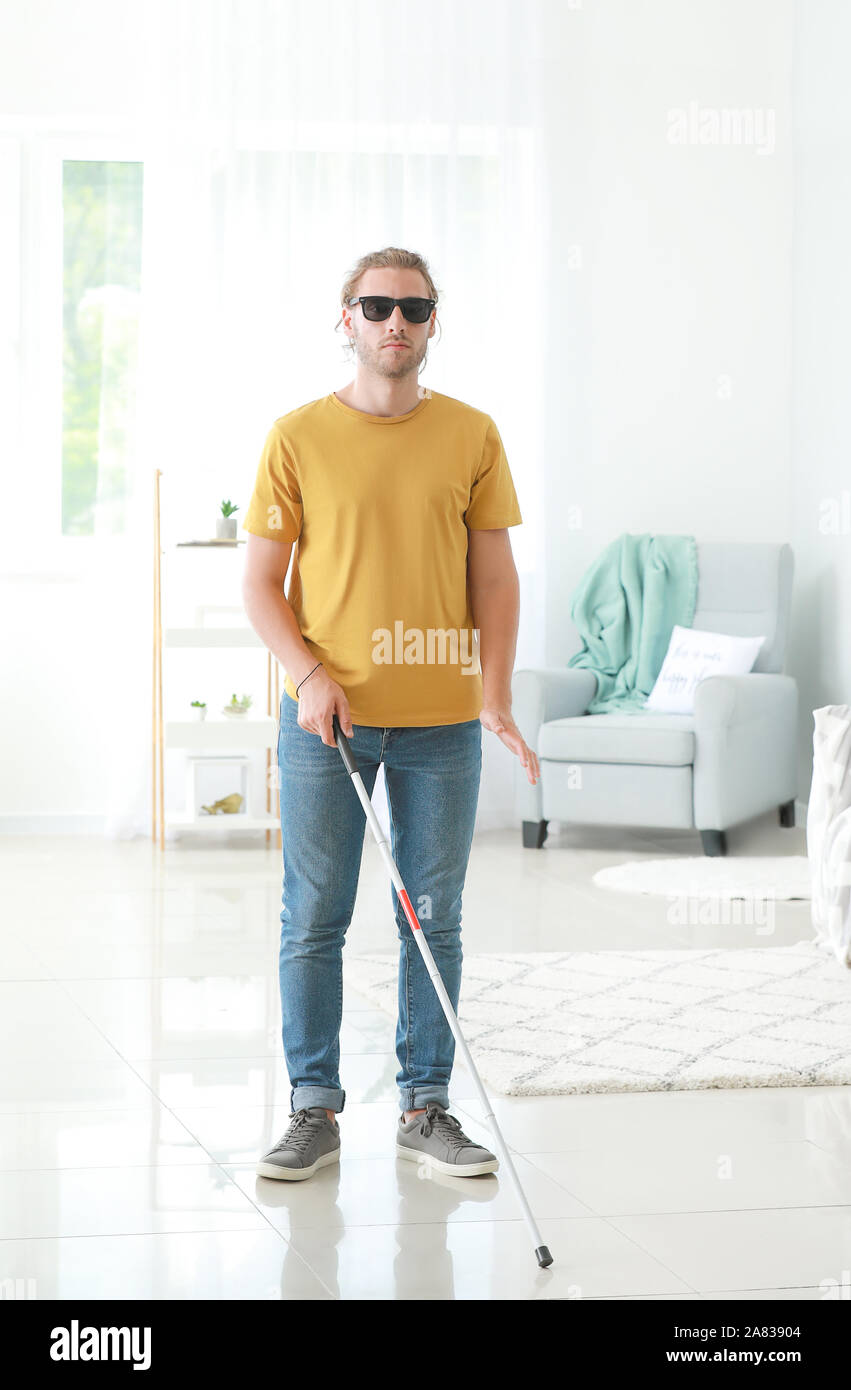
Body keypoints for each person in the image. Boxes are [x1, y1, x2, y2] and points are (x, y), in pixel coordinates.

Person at [241, 246, 539, 1182]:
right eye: (376, 308)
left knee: (431, 916)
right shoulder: (295, 437)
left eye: (412, 309)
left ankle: (425, 1106)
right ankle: (312, 1109)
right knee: (314, 916)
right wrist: (306, 676)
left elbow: (492, 576)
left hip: (440, 725)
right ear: (347, 320)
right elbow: (258, 583)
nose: (394, 323)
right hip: (326, 719)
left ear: (433, 322)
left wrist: (493, 696)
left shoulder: (472, 434)